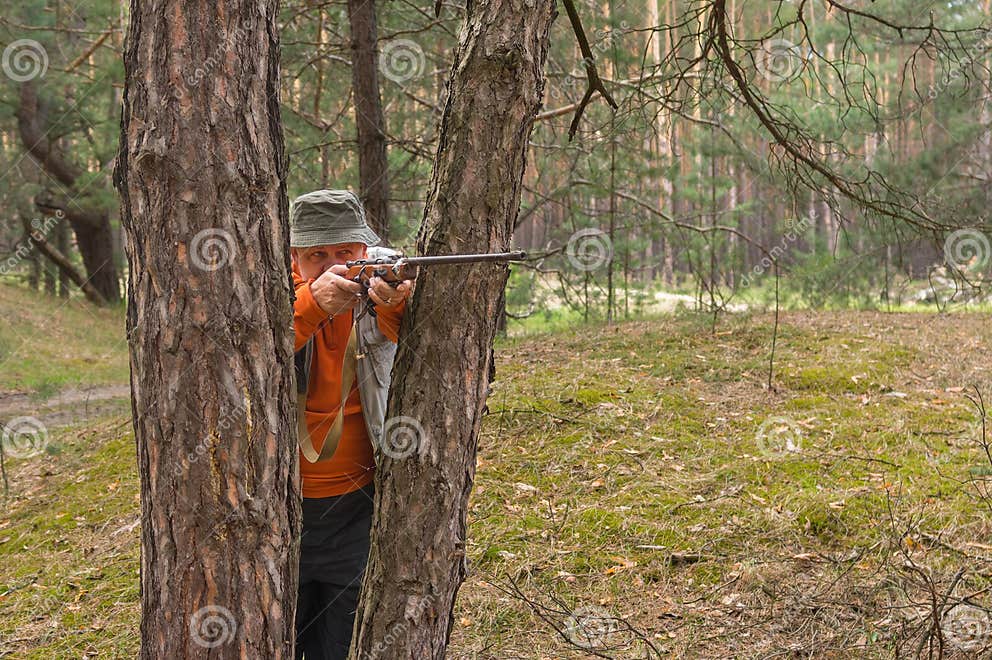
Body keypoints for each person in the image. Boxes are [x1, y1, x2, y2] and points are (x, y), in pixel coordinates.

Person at [289, 189, 412, 659]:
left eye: (345, 251)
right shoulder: (265, 291)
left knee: (341, 645)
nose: (334, 265)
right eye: (316, 255)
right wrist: (313, 305)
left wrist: (395, 302)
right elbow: (249, 351)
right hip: (280, 514)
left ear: (364, 247)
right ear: (293, 256)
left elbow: (419, 340)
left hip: (358, 510)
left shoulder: (383, 277)